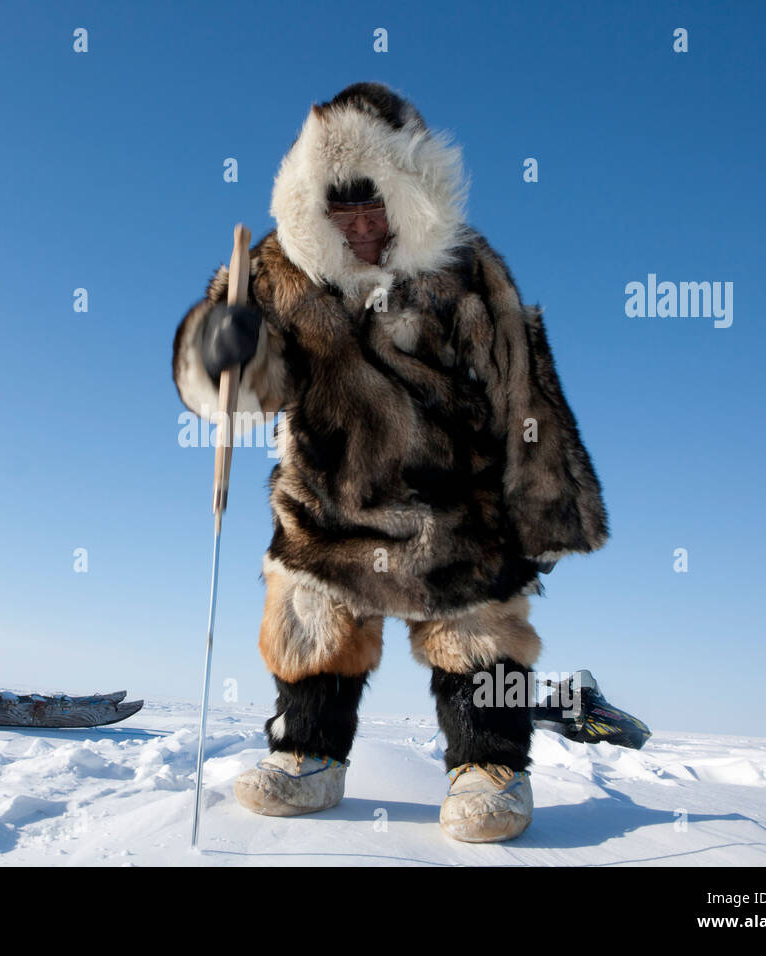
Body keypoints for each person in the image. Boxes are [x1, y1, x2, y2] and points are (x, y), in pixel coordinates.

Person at [170, 82, 609, 843]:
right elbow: (249, 394)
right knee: (309, 616)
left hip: (453, 503)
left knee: (479, 631)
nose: (362, 226)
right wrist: (222, 348)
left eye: (375, 206)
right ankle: (307, 753)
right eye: (343, 211)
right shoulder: (275, 273)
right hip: (328, 502)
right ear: (315, 207)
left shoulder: (466, 270)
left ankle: (490, 767)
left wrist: (546, 507)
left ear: (410, 193)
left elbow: (521, 387)